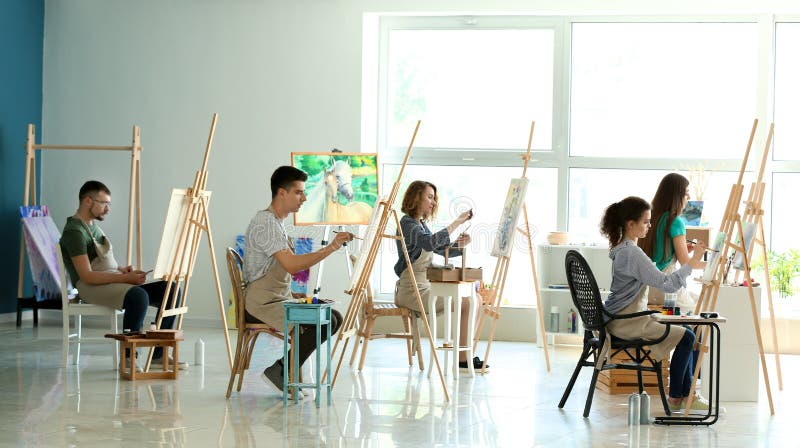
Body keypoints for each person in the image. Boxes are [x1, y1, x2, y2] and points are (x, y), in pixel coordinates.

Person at [244, 165, 353, 393]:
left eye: (303, 193)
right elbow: (291, 265)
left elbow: (274, 268)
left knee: (333, 317)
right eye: (298, 192)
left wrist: (291, 295)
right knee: (316, 322)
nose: (304, 198)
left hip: (274, 298)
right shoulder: (266, 223)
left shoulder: (277, 223)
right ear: (281, 193)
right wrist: (332, 246)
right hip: (261, 303)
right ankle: (281, 370)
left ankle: (284, 368)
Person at [59, 180, 184, 366]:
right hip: (89, 287)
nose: (107, 209)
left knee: (170, 290)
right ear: (87, 201)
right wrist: (125, 278)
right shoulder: (75, 232)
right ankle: (128, 359)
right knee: (138, 296)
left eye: (108, 204)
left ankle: (159, 354)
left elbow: (101, 262)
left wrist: (122, 270)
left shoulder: (92, 226)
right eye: (104, 203)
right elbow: (87, 275)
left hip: (108, 281)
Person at [600, 196, 707, 411]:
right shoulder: (632, 252)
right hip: (627, 322)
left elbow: (649, 272)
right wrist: (691, 264)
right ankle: (679, 396)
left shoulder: (623, 249)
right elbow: (666, 284)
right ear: (631, 224)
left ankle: (683, 396)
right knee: (688, 336)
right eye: (646, 222)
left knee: (686, 331)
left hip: (619, 318)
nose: (650, 226)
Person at [393, 180, 487, 371]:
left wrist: (460, 245)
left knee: (476, 299)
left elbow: (441, 249)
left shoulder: (420, 224)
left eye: (434, 198)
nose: (434, 202)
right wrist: (458, 222)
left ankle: (465, 354)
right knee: (469, 301)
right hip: (412, 291)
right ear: (416, 197)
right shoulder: (407, 224)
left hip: (424, 287)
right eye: (429, 197)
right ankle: (462, 359)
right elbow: (429, 244)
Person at [637, 173, 701, 308]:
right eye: (686, 193)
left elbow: (661, 250)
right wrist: (713, 265)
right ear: (676, 196)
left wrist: (681, 248)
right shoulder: (675, 222)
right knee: (701, 307)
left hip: (646, 289)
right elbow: (685, 263)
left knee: (696, 300)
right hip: (666, 287)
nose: (689, 197)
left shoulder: (651, 218)